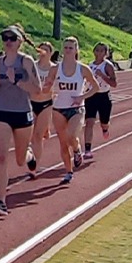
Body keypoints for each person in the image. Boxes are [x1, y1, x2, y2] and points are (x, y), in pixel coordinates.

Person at [0, 25, 41, 214]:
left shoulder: (25, 61)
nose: (8, 41)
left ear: (20, 42)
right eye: (5, 38)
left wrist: (16, 81)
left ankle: (29, 155)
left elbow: (37, 89)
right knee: (2, 156)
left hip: (22, 112)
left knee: (20, 159)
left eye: (12, 38)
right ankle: (1, 201)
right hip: (1, 111)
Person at [44, 36, 100, 185]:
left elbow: (95, 87)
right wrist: (47, 87)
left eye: (71, 48)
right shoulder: (55, 69)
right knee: (63, 143)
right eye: (66, 47)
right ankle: (68, 172)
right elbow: (47, 88)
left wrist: (82, 96)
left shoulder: (83, 69)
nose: (68, 50)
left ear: (76, 50)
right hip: (58, 108)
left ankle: (77, 149)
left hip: (76, 108)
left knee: (71, 135)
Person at [82, 42, 118, 159]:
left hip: (104, 97)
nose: (99, 53)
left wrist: (102, 75)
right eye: (97, 50)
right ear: (94, 51)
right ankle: (87, 150)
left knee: (104, 123)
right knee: (89, 122)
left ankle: (105, 129)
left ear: (105, 53)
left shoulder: (108, 66)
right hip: (91, 96)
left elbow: (114, 84)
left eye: (102, 51)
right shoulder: (90, 65)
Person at [28, 41, 56, 176]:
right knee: (30, 135)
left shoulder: (54, 68)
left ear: (51, 53)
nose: (43, 52)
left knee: (38, 136)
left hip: (46, 104)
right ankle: (31, 155)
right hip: (31, 102)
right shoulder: (32, 66)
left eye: (46, 50)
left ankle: (34, 166)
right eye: (41, 49)